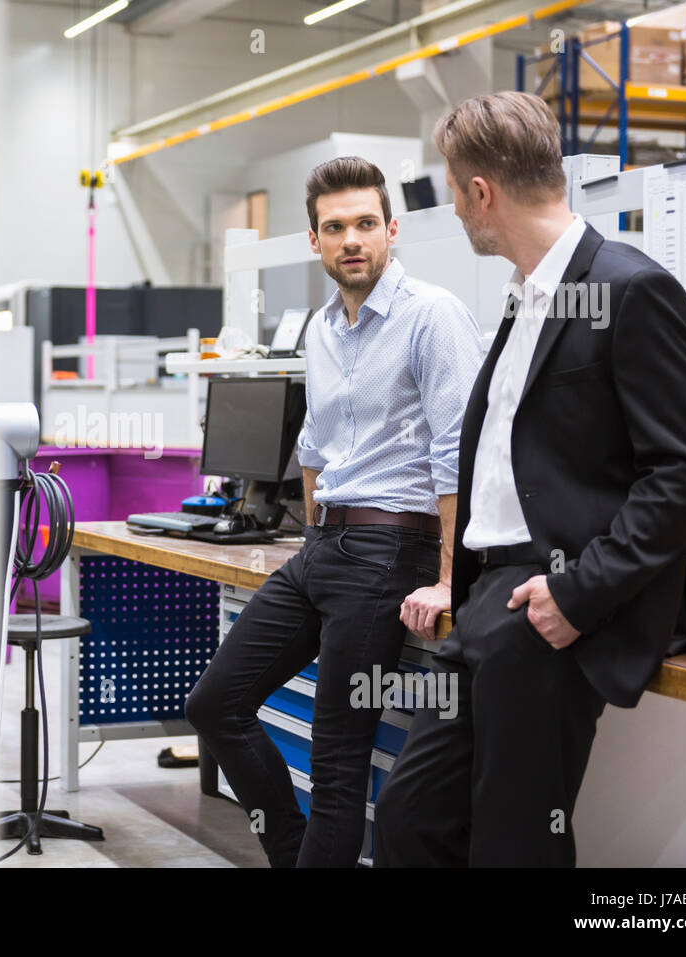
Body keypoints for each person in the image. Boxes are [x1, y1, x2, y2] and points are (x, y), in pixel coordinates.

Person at [374, 91, 686, 867]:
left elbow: (682, 468)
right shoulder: (526, 295)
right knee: (408, 819)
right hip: (486, 600)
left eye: (457, 195)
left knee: (514, 842)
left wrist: (578, 591)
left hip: (552, 598)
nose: (459, 215)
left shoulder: (632, 289)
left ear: (481, 193)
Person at [184, 156, 483, 867]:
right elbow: (314, 444)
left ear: (392, 230)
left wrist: (449, 580)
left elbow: (459, 457)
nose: (353, 239)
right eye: (336, 227)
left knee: (337, 759)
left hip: (393, 551)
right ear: (314, 240)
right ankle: (292, 854)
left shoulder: (432, 316)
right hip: (325, 547)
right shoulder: (321, 329)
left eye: (366, 224)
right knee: (213, 705)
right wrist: (315, 534)